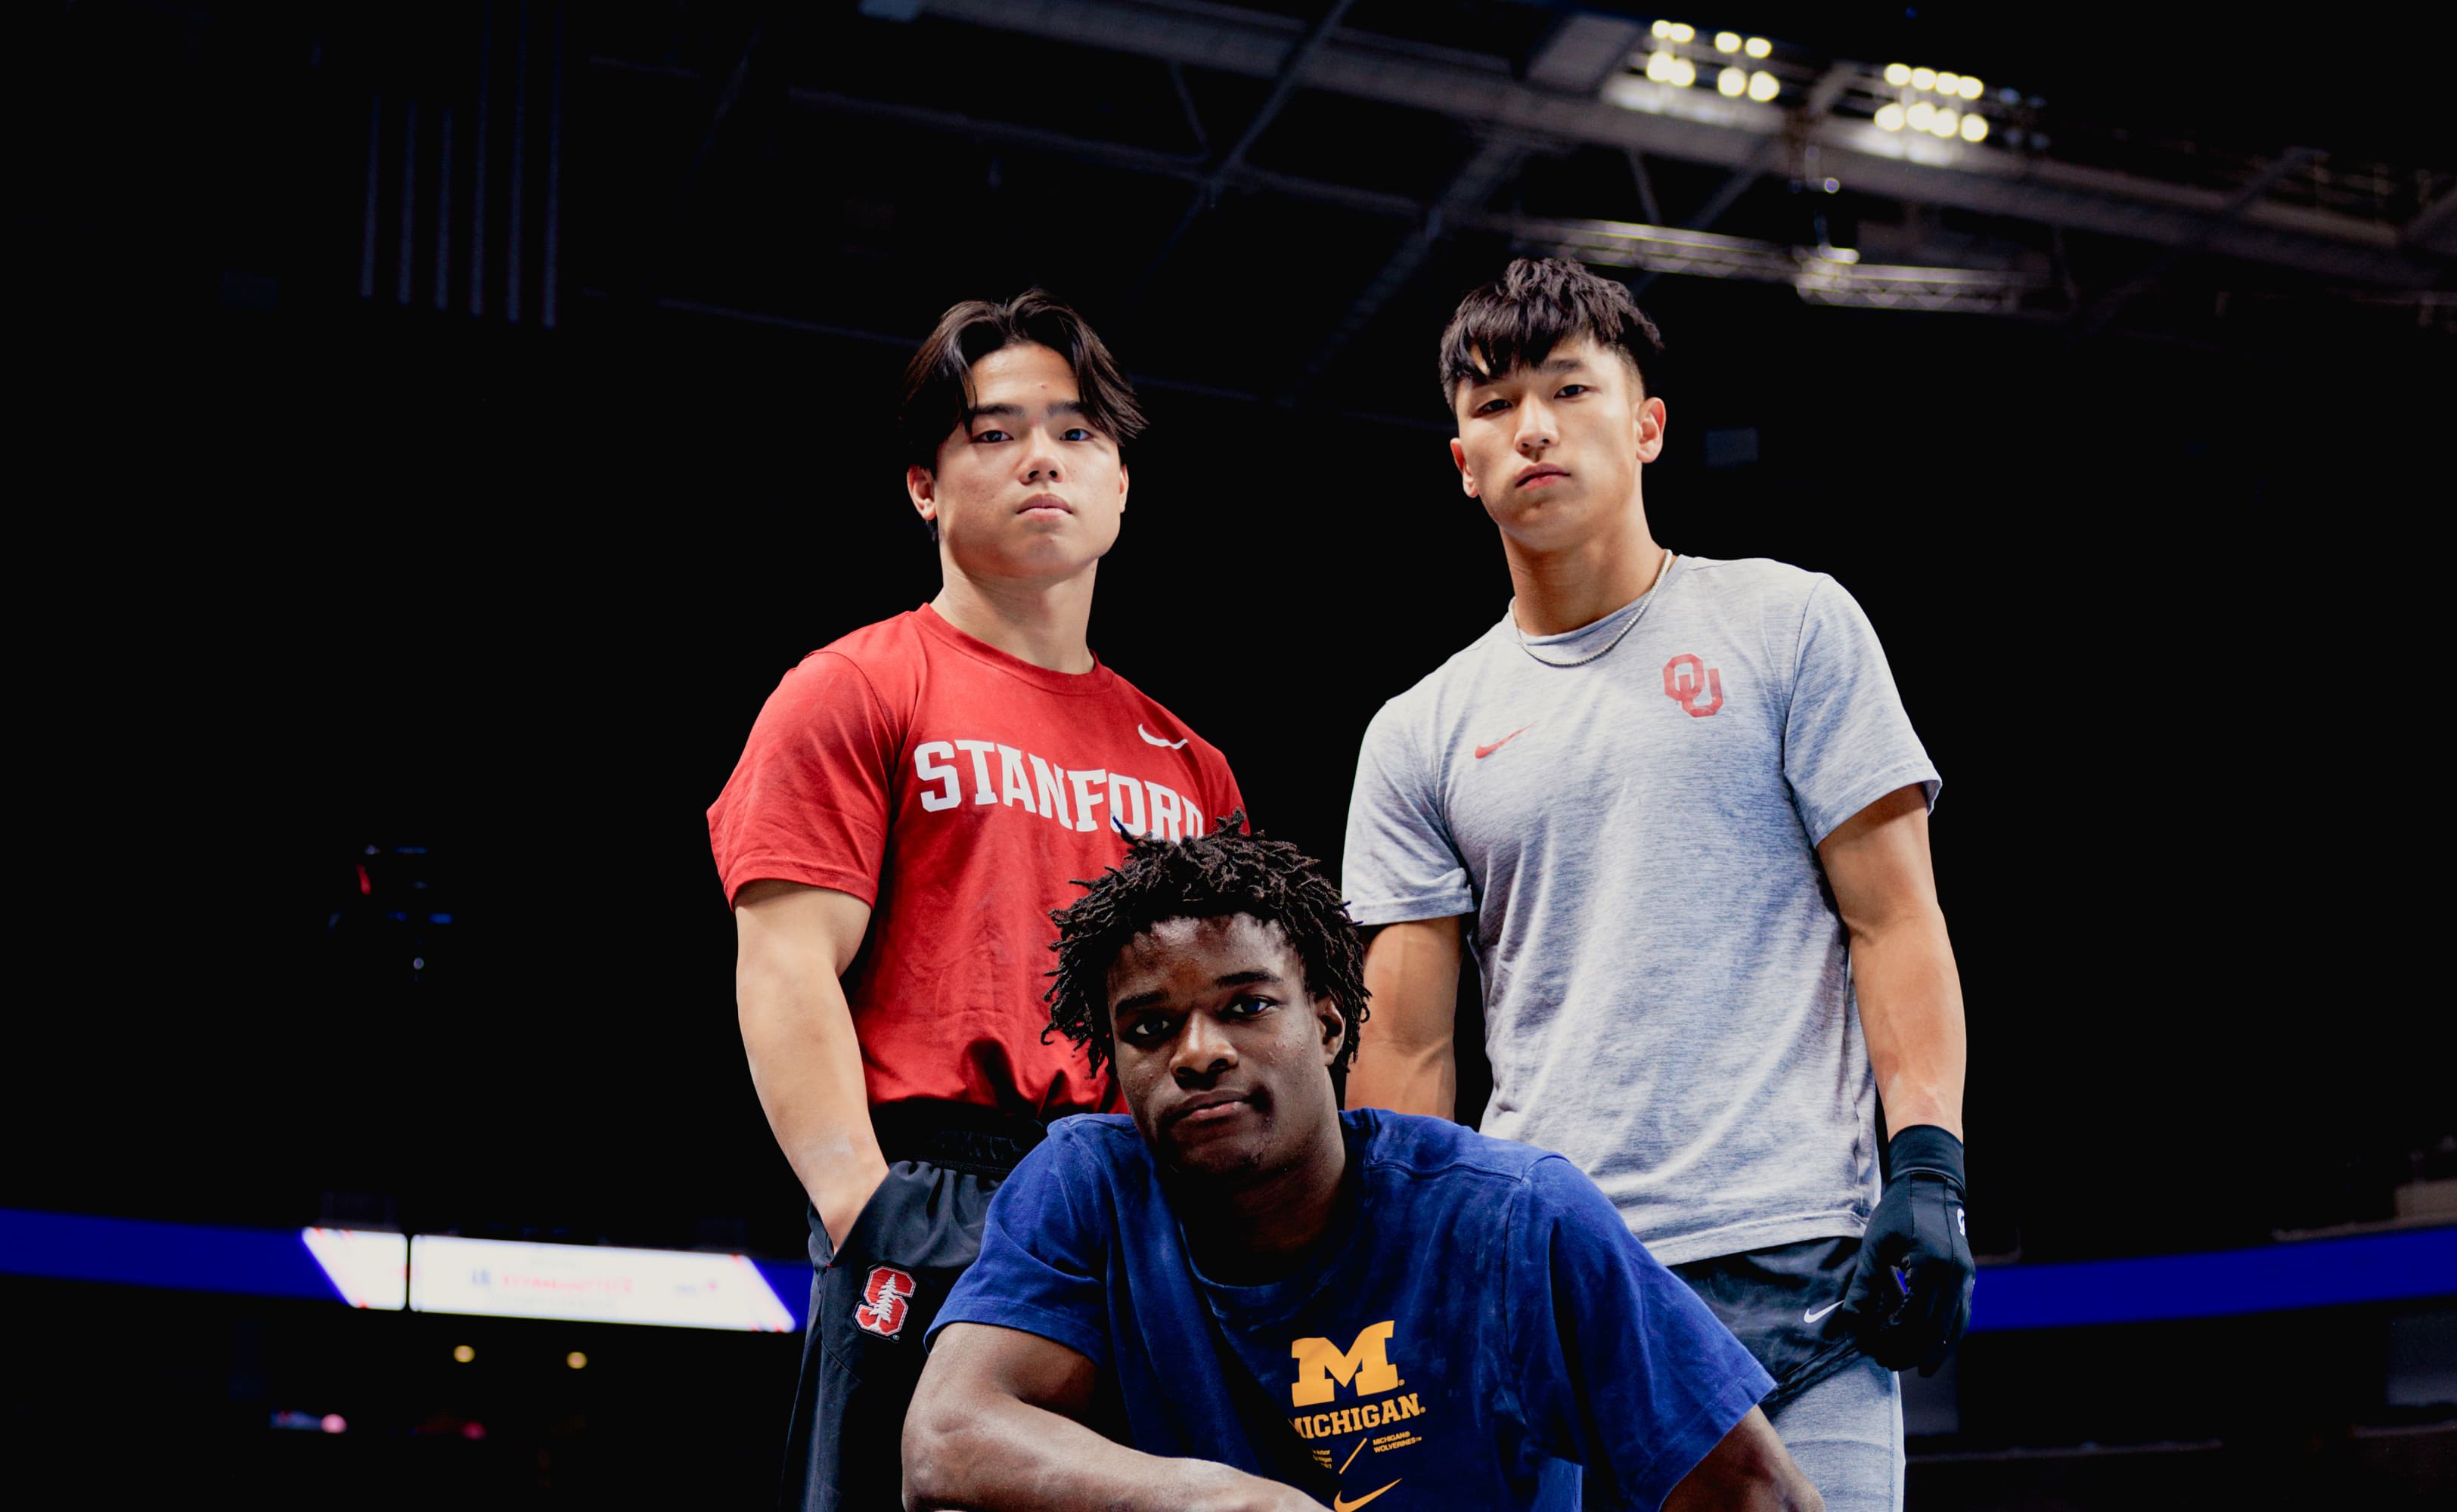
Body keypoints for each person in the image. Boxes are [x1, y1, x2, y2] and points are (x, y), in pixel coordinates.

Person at [1337, 258, 1971, 1510]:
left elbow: (1893, 919)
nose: (1533, 426)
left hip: (1799, 1257)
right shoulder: (1419, 731)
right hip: (1549, 1280)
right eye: (1494, 401)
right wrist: (1392, 1282)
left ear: (1647, 425)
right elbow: (1406, 1052)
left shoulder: (1791, 625)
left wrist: (1931, 1168)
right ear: (1460, 457)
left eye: (1570, 389)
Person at [706, 289, 1248, 1510]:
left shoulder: (1190, 764)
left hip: (1147, 1197)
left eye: (1075, 430)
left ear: (1119, 482)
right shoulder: (852, 689)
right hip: (938, 1179)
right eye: (994, 432)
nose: (1040, 458)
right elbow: (785, 960)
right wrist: (864, 1204)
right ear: (923, 483)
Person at [901, 822, 1827, 1511]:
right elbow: (946, 1438)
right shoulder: (1085, 1187)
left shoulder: (1512, 1217)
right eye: (1150, 1028)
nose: (1199, 1051)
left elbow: (1756, 1492)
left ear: (1332, 1025)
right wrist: (1232, 1500)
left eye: (1247, 1005)